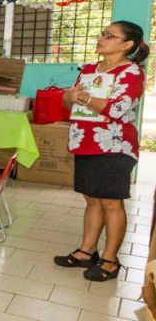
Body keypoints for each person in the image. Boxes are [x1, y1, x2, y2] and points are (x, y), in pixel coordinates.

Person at [55, 21, 147, 282]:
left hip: (114, 144)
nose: (101, 38)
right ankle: (87, 251)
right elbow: (67, 100)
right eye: (102, 34)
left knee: (111, 202)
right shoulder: (89, 69)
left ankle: (110, 259)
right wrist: (70, 96)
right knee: (92, 199)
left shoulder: (131, 72)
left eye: (110, 35)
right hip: (85, 141)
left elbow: (118, 109)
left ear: (127, 45)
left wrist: (82, 98)